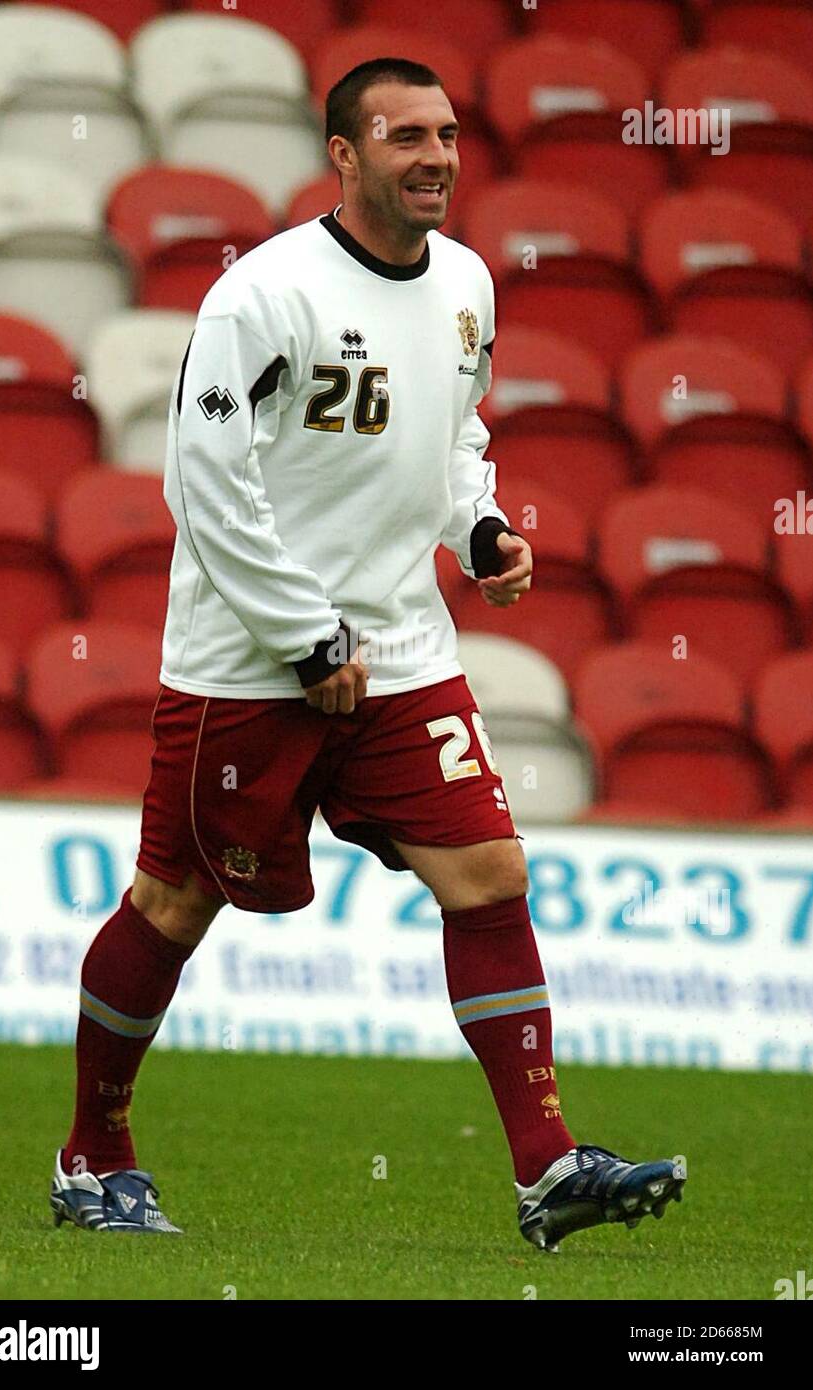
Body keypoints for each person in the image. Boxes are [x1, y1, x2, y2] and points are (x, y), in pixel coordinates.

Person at [50, 58, 685, 1250]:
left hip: (399, 649)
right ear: (343, 156)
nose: (436, 157)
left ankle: (548, 1167)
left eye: (446, 134)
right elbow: (208, 480)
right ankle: (93, 1155)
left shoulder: (465, 284)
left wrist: (479, 525)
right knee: (175, 902)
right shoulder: (263, 294)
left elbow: (455, 440)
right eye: (404, 138)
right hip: (246, 657)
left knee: (490, 874)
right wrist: (303, 636)